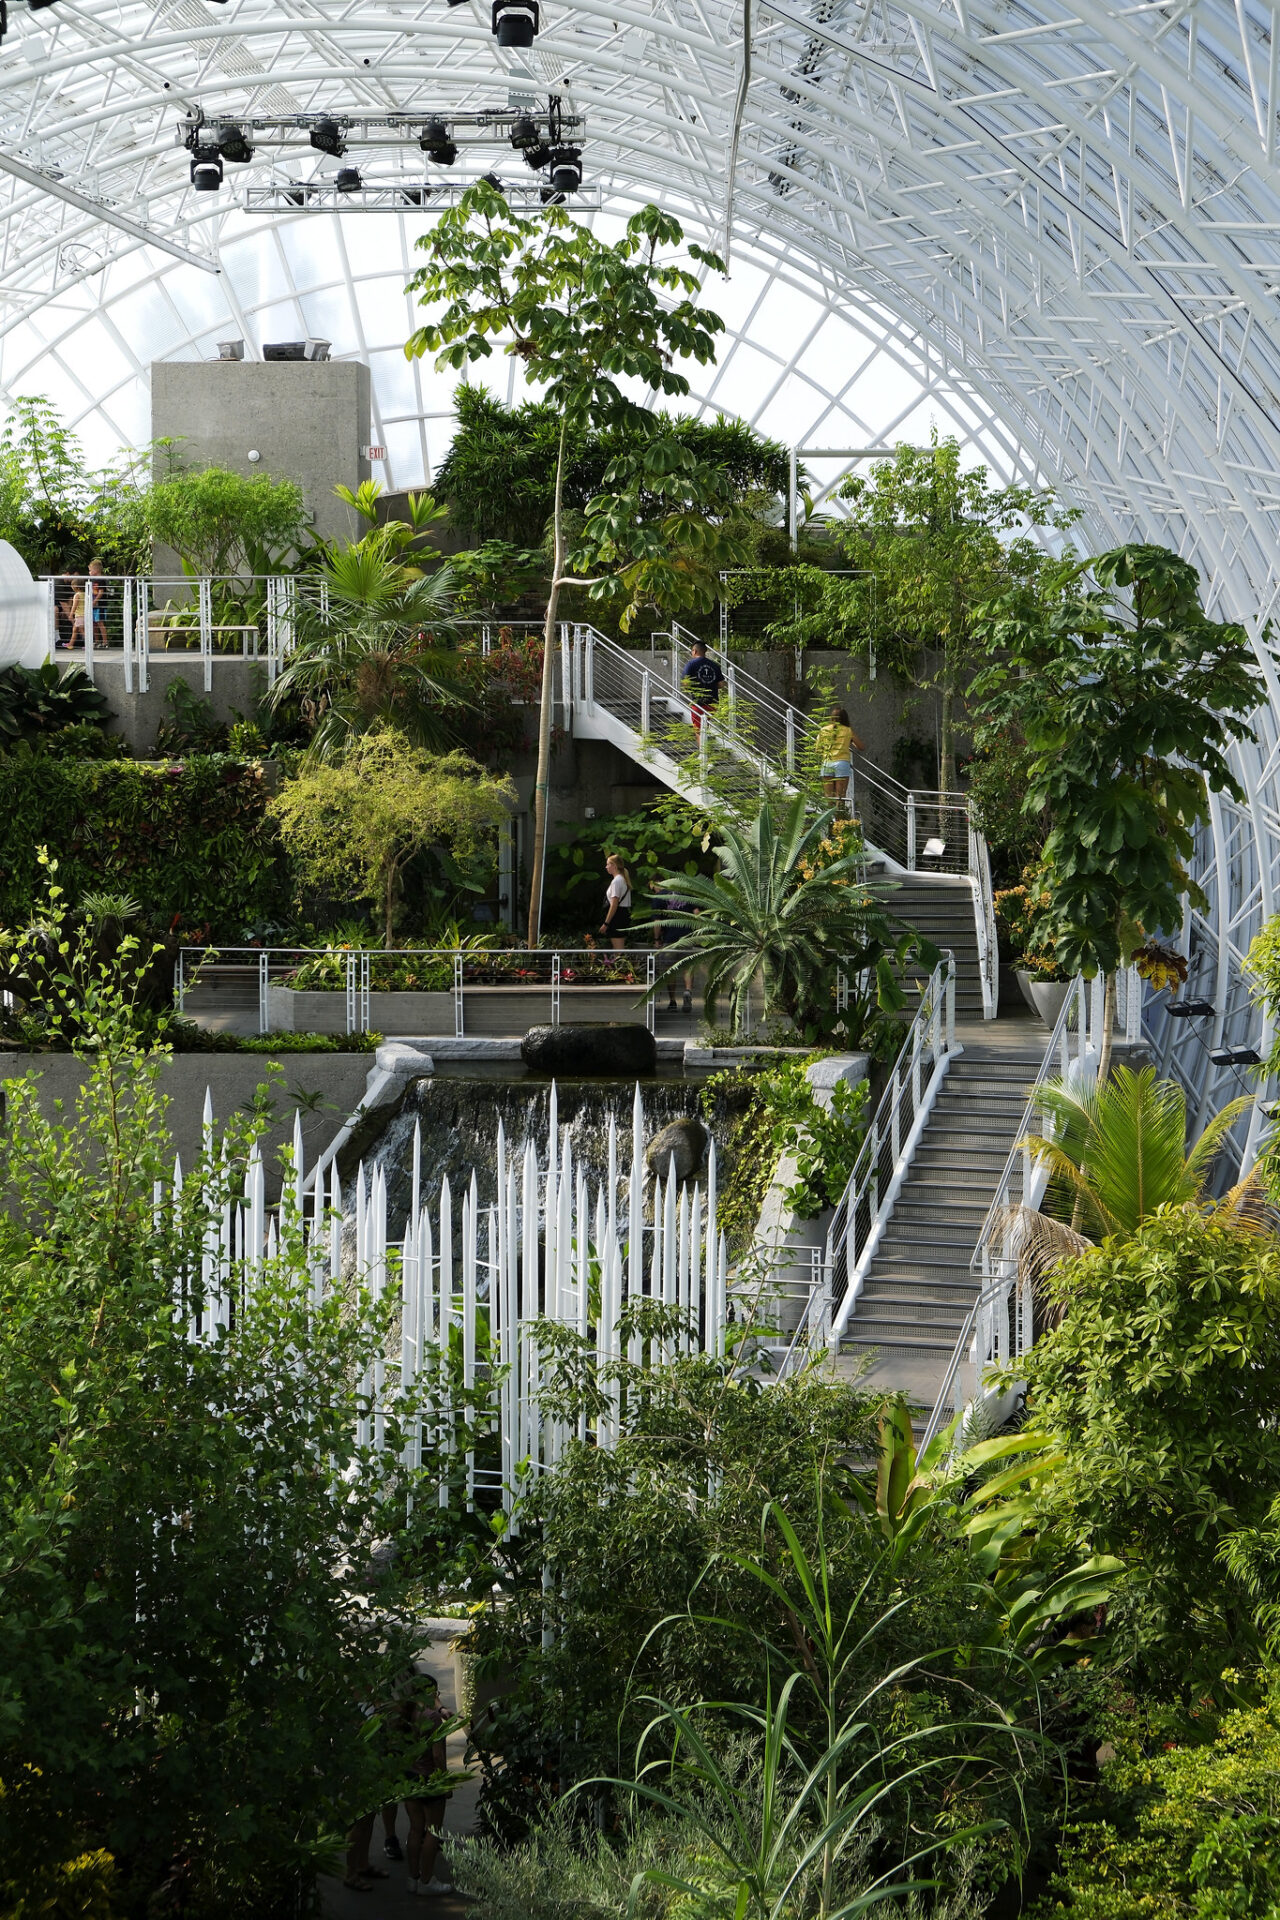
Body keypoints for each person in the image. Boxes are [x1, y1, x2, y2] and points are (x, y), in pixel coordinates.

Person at [656, 889, 695, 1012]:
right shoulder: (687, 893)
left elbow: (657, 921)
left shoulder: (659, 896)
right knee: (687, 967)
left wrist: (656, 939)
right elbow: (697, 913)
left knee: (670, 970)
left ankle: (672, 1001)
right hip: (686, 938)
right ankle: (688, 991)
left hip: (669, 939)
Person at [816, 704, 864, 801]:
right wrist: (849, 742)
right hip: (842, 763)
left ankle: (829, 816)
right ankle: (839, 816)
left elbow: (817, 749)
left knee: (828, 796)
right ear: (845, 718)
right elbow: (861, 747)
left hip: (827, 763)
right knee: (840, 796)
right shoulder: (848, 730)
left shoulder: (823, 730)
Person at [681, 640, 725, 734]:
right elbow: (721, 684)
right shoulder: (714, 665)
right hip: (713, 703)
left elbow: (685, 683)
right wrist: (711, 685)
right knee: (706, 728)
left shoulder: (691, 664)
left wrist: (691, 688)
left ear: (695, 651)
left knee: (698, 731)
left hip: (698, 703)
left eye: (691, 651)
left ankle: (703, 749)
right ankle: (706, 746)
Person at [599, 854, 633, 950]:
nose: (606, 867)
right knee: (618, 948)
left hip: (617, 916)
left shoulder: (617, 881)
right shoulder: (622, 879)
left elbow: (614, 904)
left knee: (618, 950)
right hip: (622, 914)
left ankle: (621, 964)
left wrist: (606, 923)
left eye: (608, 864)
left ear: (614, 865)